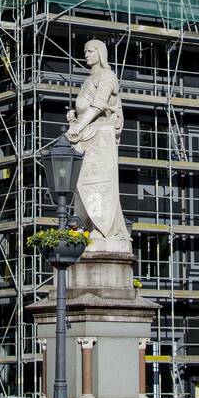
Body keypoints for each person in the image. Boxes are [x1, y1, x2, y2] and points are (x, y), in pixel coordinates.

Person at [65, 40, 132, 253]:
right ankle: (87, 226)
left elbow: (98, 104)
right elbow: (86, 108)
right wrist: (74, 121)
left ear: (101, 53)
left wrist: (81, 124)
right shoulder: (88, 79)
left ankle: (104, 231)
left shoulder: (107, 76)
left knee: (99, 184)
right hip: (85, 136)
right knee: (82, 186)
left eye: (90, 50)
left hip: (99, 136)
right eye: (85, 50)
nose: (86, 54)